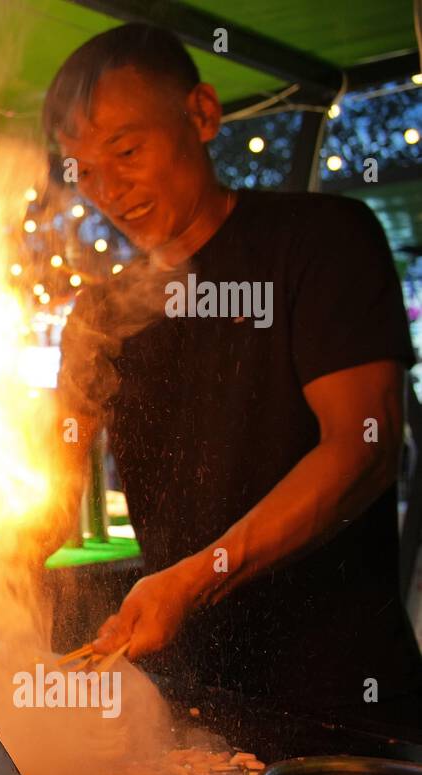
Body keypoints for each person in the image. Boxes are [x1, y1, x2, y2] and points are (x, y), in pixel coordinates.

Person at [45, 24, 422, 733]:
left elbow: (363, 445)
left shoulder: (322, 241)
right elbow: (52, 482)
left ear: (203, 114)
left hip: (341, 706)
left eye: (126, 151)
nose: (108, 190)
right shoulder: (99, 313)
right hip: (178, 710)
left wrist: (194, 578)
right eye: (83, 170)